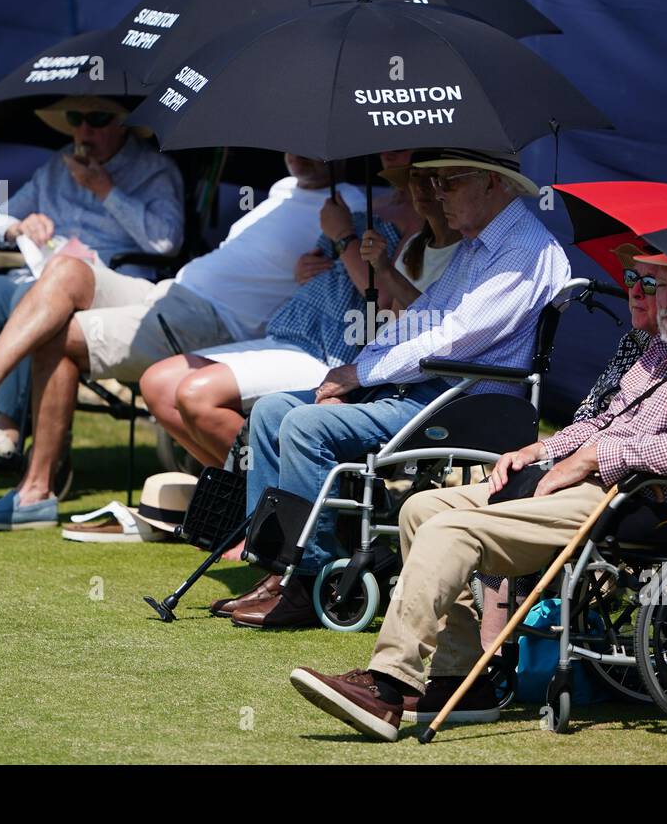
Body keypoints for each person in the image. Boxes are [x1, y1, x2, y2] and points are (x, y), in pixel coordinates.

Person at [288, 252, 667, 741]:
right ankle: (460, 679)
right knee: (421, 508)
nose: (660, 298)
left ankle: (389, 684)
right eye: (651, 282)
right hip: (590, 484)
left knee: (452, 530)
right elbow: (605, 419)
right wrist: (540, 448)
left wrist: (597, 457)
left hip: (642, 501)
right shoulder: (661, 348)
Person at [0, 152, 364, 529]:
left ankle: (34, 490)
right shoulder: (284, 190)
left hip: (212, 324)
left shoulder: (355, 207)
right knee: (67, 268)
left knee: (60, 335)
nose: (296, 150)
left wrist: (323, 260)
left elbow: (351, 286)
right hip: (168, 294)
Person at [219, 149, 571, 630]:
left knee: (303, 424)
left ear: (493, 183)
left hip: (467, 404)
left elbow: (449, 339)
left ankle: (304, 578)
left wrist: (361, 377)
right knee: (271, 411)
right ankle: (273, 566)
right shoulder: (480, 244)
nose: (435, 195)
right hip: (432, 389)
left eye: (449, 183)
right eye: (434, 183)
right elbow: (421, 320)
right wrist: (353, 372)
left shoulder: (523, 251)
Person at [0, 96, 184, 467]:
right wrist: (18, 227)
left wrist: (106, 192)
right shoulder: (57, 167)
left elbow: (167, 240)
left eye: (97, 118)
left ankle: (7, 429)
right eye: (75, 118)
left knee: (28, 299)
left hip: (107, 283)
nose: (84, 130)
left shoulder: (155, 170)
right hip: (42, 272)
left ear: (124, 123)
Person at [141, 150, 463, 470]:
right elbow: (340, 263)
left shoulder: (425, 219)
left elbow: (379, 295)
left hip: (333, 347)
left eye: (404, 146)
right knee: (158, 385)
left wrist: (343, 235)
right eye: (387, 145)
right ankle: (247, 498)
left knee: (196, 396)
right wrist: (307, 267)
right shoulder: (370, 203)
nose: (391, 152)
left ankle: (282, 496)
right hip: (297, 327)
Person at [475, 243, 657, 646]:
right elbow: (595, 416)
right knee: (514, 479)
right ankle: (500, 629)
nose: (635, 291)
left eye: (648, 282)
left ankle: (498, 644)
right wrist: (543, 450)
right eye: (630, 279)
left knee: (512, 503)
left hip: (631, 485)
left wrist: (585, 458)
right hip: (589, 457)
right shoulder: (638, 343)